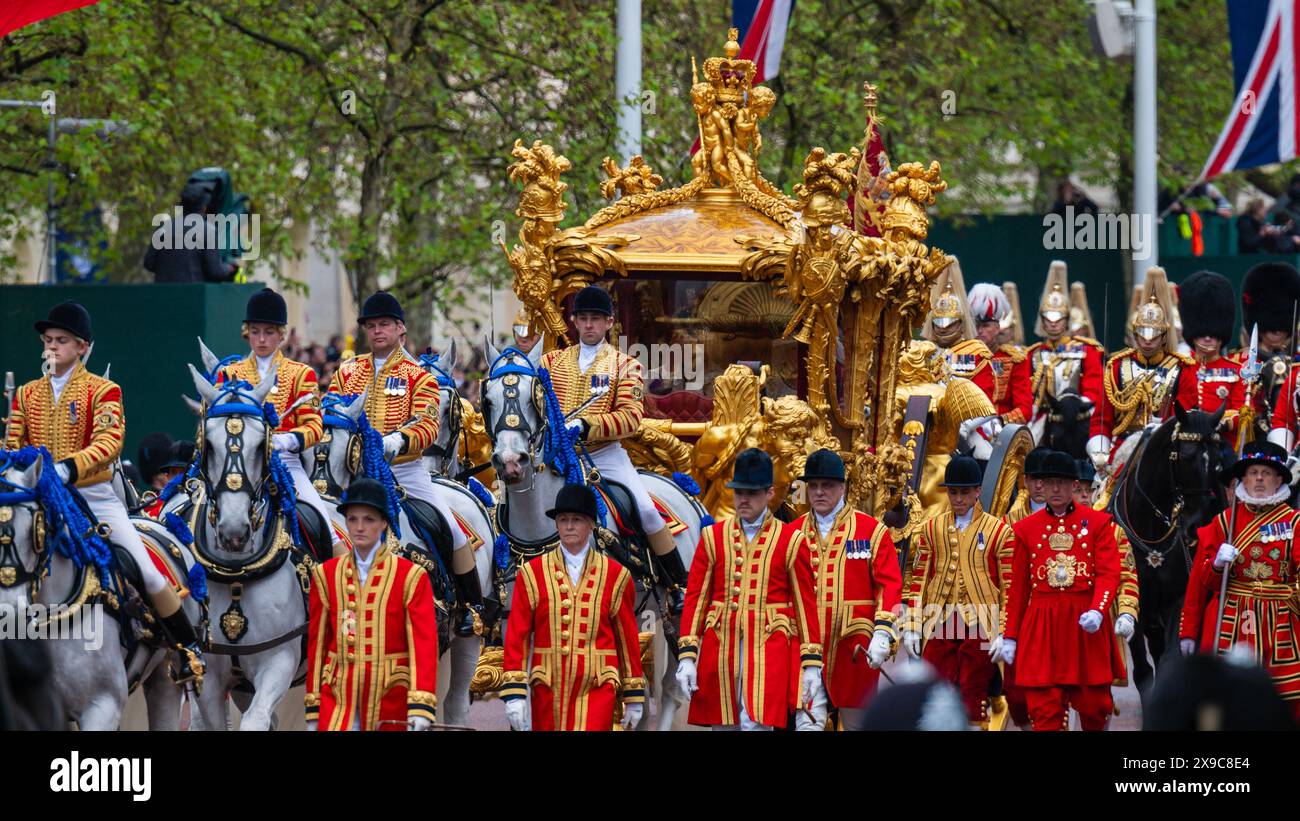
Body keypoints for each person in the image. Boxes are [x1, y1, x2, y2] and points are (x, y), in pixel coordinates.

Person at [5, 301, 205, 683]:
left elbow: (110, 441)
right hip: (38, 498)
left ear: (82, 347)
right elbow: (14, 444)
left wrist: (69, 467)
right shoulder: (27, 395)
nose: (51, 347)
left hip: (92, 495)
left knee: (145, 569)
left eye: (61, 341)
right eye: (48, 340)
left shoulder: (103, 390)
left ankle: (185, 648)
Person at [329, 291, 482, 636]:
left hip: (405, 471)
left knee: (453, 528)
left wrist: (398, 440)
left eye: (384, 324)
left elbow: (428, 423)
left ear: (400, 329)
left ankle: (471, 604)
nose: (378, 331)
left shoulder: (419, 375)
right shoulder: (347, 372)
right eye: (372, 326)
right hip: (354, 472)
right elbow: (331, 412)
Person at [538, 285, 690, 612]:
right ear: (574, 322)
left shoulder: (625, 365)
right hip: (556, 458)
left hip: (604, 456)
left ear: (609, 323)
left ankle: (677, 584)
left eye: (596, 319)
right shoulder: (550, 362)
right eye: (583, 319)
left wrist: (586, 425)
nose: (589, 325)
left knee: (648, 511)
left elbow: (631, 417)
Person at [675, 448, 823, 730]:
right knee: (722, 724)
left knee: (756, 723)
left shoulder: (791, 540)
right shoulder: (713, 536)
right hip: (721, 647)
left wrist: (812, 662)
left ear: (769, 494)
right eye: (738, 491)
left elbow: (806, 605)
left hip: (768, 649)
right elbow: (696, 598)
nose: (742, 499)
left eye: (751, 493)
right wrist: (687, 656)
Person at [501, 483, 646, 731]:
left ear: (591, 525)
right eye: (563, 519)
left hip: (598, 686)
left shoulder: (616, 575)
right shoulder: (532, 573)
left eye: (576, 520)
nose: (569, 526)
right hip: (548, 685)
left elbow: (627, 639)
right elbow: (518, 636)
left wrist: (633, 696)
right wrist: (515, 692)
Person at [997, 451, 1125, 731]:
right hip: (1042, 625)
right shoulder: (1026, 529)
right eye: (1049, 482)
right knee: (1044, 709)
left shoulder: (1098, 524)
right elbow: (1017, 589)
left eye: (1063, 483)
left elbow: (1109, 573)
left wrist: (1098, 609)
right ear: (1040, 485)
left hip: (1084, 624)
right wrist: (1010, 636)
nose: (1055, 489)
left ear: (1073, 486)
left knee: (1095, 706)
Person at [305, 478, 439, 731]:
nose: (359, 527)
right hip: (338, 699)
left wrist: (421, 704)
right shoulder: (325, 574)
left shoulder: (410, 576)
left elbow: (423, 646)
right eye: (352, 519)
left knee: (450, 530)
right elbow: (318, 645)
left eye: (369, 520)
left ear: (384, 523)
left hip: (390, 698)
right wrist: (314, 705)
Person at [1178, 441, 1300, 718]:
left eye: (1266, 473)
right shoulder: (1222, 523)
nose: (1259, 478)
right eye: (1253, 472)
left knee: (1287, 701)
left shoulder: (1294, 522)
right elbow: (1200, 585)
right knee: (1225, 701)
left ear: (1279, 479)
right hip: (1232, 621)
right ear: (1242, 479)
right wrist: (1217, 565)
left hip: (1280, 623)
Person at [216, 288, 341, 554]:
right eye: (255, 331)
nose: (261, 339)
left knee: (325, 529)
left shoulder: (301, 374)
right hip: (235, 464)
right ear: (246, 331)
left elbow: (314, 426)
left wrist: (288, 440)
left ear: (281, 334)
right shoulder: (228, 374)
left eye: (269, 332)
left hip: (286, 464)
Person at [789, 449, 902, 730]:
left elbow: (889, 585)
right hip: (805, 650)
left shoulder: (871, 530)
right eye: (813, 486)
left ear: (842, 487)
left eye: (826, 486)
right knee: (807, 724)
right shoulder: (792, 533)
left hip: (854, 650)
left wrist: (883, 633)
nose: (819, 492)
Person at [902, 455, 1015, 727]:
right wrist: (914, 625)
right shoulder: (931, 528)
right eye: (953, 492)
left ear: (977, 491)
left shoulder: (999, 531)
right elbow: (919, 580)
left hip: (981, 624)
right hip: (939, 620)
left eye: (965, 492)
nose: (959, 498)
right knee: (933, 690)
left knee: (972, 693)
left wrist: (1003, 630)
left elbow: (1008, 587)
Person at [1089, 267, 1194, 468]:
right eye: (1142, 335)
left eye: (1154, 335)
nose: (1147, 342)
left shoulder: (1182, 368)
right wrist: (1099, 449)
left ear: (1163, 336)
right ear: (1135, 334)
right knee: (1101, 498)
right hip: (1121, 450)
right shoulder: (1116, 366)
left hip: (1166, 449)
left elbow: (1184, 418)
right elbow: (1101, 419)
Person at [1027, 260, 1105, 428]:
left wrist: (1076, 408)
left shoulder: (1086, 350)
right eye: (1049, 319)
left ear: (1067, 321)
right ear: (1043, 322)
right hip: (1041, 418)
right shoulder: (1032, 354)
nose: (1053, 324)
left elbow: (1094, 389)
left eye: (1058, 319)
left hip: (1077, 416)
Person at [1176, 271, 1245, 442]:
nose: (1207, 338)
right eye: (1201, 333)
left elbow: (1241, 410)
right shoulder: (1179, 366)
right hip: (1184, 440)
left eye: (1213, 334)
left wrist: (1221, 424)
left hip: (1220, 440)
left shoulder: (1237, 371)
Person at [1237, 262, 1300, 441]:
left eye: (1281, 328)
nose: (1277, 331)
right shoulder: (1241, 361)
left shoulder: (1296, 363)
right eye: (1271, 328)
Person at [921, 261, 996, 406]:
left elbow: (984, 398)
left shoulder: (976, 353)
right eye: (938, 323)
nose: (942, 328)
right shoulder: (925, 352)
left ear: (961, 325)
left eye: (949, 323)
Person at [143, 182, 238, 283]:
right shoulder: (208, 230)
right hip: (194, 296)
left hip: (164, 295)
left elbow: (149, 264)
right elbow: (215, 272)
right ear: (204, 207)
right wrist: (228, 268)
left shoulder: (163, 227)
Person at [969, 282, 1032, 425]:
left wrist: (1000, 422)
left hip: (998, 431)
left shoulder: (1014, 359)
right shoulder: (961, 356)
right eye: (976, 325)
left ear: (997, 328)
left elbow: (1025, 409)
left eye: (985, 326)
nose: (980, 331)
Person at [143, 440, 195, 518]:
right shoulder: (154, 511)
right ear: (167, 475)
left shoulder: (204, 502)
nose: (178, 477)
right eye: (173, 472)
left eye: (183, 472)